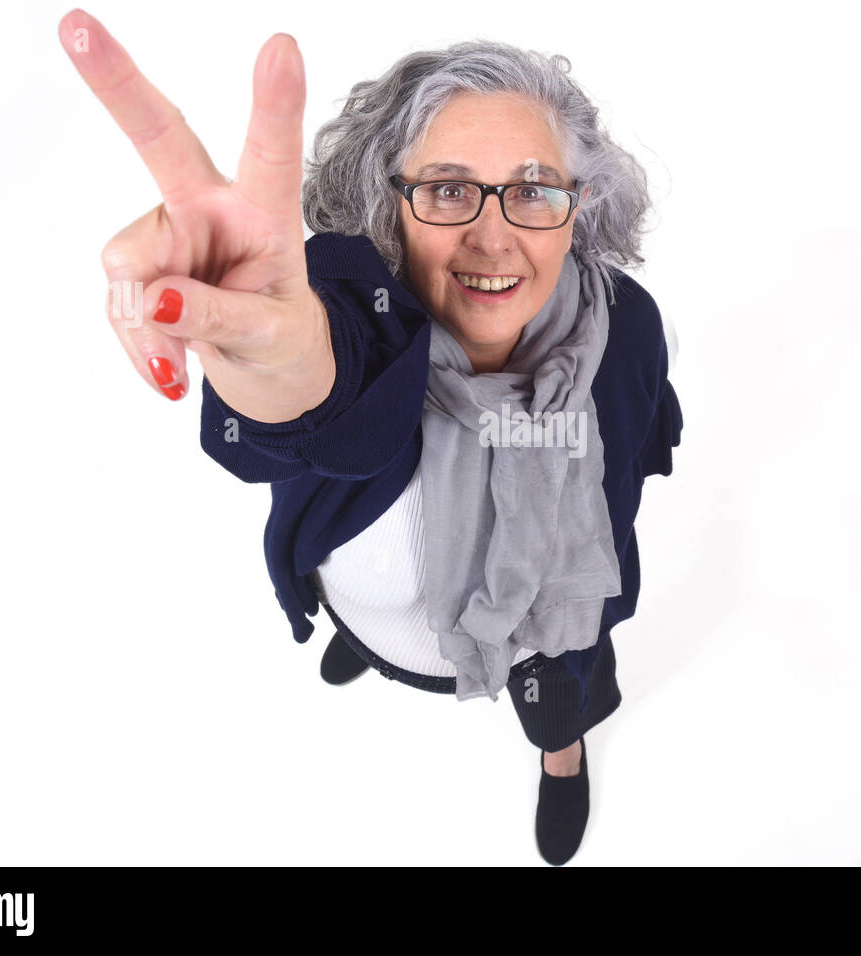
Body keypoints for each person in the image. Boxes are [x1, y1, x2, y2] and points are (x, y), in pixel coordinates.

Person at [59, 8, 682, 866]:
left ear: (579, 208)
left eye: (533, 189)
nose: (493, 234)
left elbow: (642, 427)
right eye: (450, 188)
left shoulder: (629, 324)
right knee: (369, 629)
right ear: (386, 204)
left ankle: (561, 752)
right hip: (370, 611)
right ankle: (369, 646)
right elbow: (313, 385)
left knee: (558, 698)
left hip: (550, 629)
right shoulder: (360, 325)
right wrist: (268, 369)